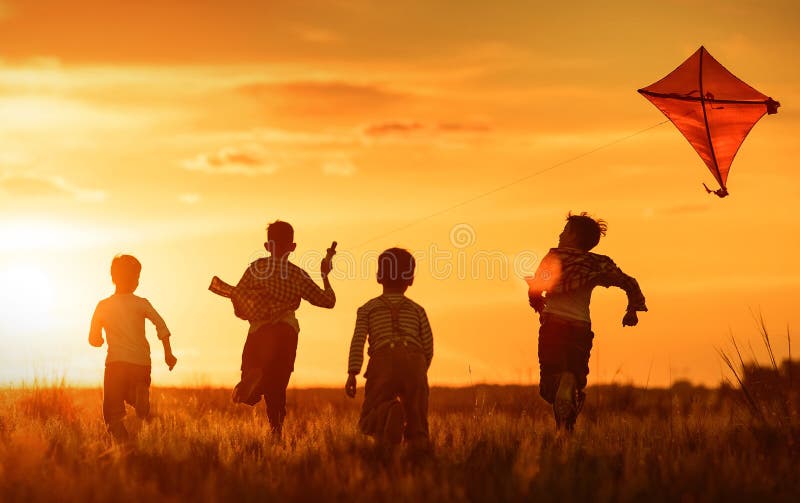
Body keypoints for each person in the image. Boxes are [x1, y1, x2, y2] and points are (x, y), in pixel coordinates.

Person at [527, 213, 647, 431]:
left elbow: (536, 287)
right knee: (575, 382)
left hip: (553, 326)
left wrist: (536, 302)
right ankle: (565, 430)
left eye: (564, 231)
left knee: (550, 385)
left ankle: (564, 386)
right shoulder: (596, 263)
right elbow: (629, 282)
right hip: (581, 329)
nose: (560, 235)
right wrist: (632, 309)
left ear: (573, 236)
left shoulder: (554, 257)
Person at [233, 220, 336, 437]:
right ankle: (276, 435)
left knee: (249, 379)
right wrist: (325, 275)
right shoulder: (297, 274)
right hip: (286, 333)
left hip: (259, 333)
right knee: (277, 387)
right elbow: (327, 301)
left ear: (267, 246)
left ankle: (253, 382)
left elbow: (238, 298)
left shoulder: (256, 268)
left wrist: (250, 311)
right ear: (293, 247)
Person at [346, 248, 433, 454]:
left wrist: (353, 372)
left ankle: (387, 413)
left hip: (382, 359)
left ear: (378, 277)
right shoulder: (417, 310)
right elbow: (428, 344)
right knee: (417, 413)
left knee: (372, 410)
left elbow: (358, 340)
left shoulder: (367, 309)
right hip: (415, 359)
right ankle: (418, 453)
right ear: (410, 279)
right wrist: (421, 369)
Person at [89, 254, 177, 442]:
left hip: (116, 364)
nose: (137, 281)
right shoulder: (142, 303)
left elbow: (93, 338)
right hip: (141, 363)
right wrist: (168, 353)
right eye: (137, 277)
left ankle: (124, 446)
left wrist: (98, 340)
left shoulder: (103, 306)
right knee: (137, 402)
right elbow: (161, 326)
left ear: (113, 278)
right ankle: (138, 395)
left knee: (112, 415)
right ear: (135, 280)